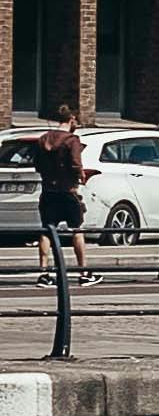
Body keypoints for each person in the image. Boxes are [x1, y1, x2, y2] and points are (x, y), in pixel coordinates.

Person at [38, 108, 84, 285]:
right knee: (77, 230)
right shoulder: (72, 140)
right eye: (76, 123)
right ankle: (83, 273)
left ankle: (43, 273)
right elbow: (75, 164)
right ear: (71, 119)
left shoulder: (43, 139)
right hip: (68, 190)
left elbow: (37, 164)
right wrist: (80, 175)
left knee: (47, 230)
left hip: (48, 190)